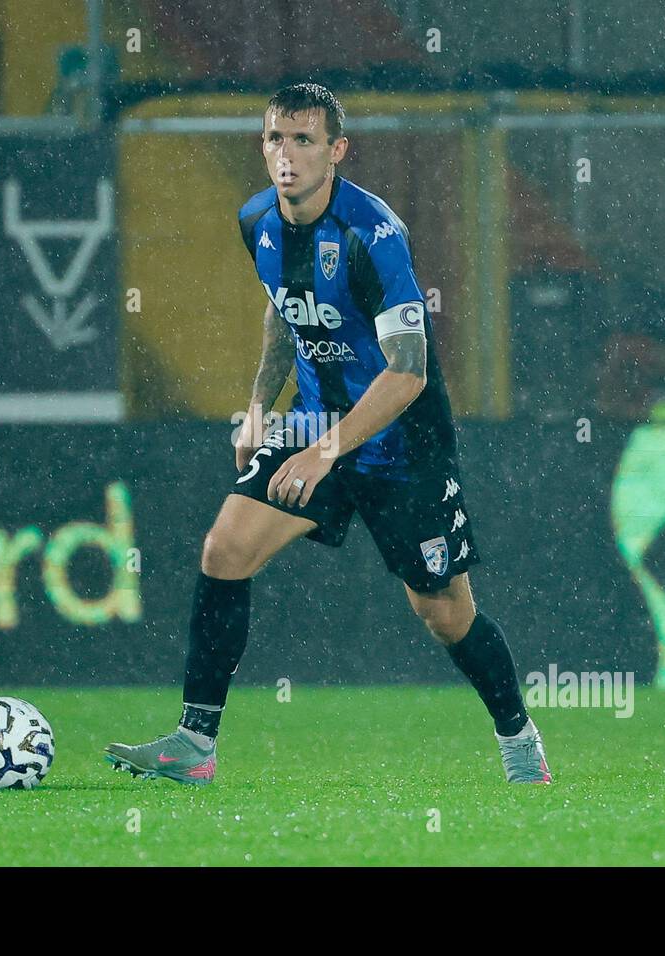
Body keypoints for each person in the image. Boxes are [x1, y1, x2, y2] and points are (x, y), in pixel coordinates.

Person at [104, 83, 550, 786]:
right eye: (275, 139)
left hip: (401, 442)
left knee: (442, 612)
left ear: (337, 151)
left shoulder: (373, 235)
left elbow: (408, 373)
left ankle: (518, 735)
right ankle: (195, 744)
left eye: (304, 140)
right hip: (314, 421)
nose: (286, 155)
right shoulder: (256, 220)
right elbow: (285, 313)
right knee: (225, 548)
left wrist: (325, 450)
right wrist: (258, 407)